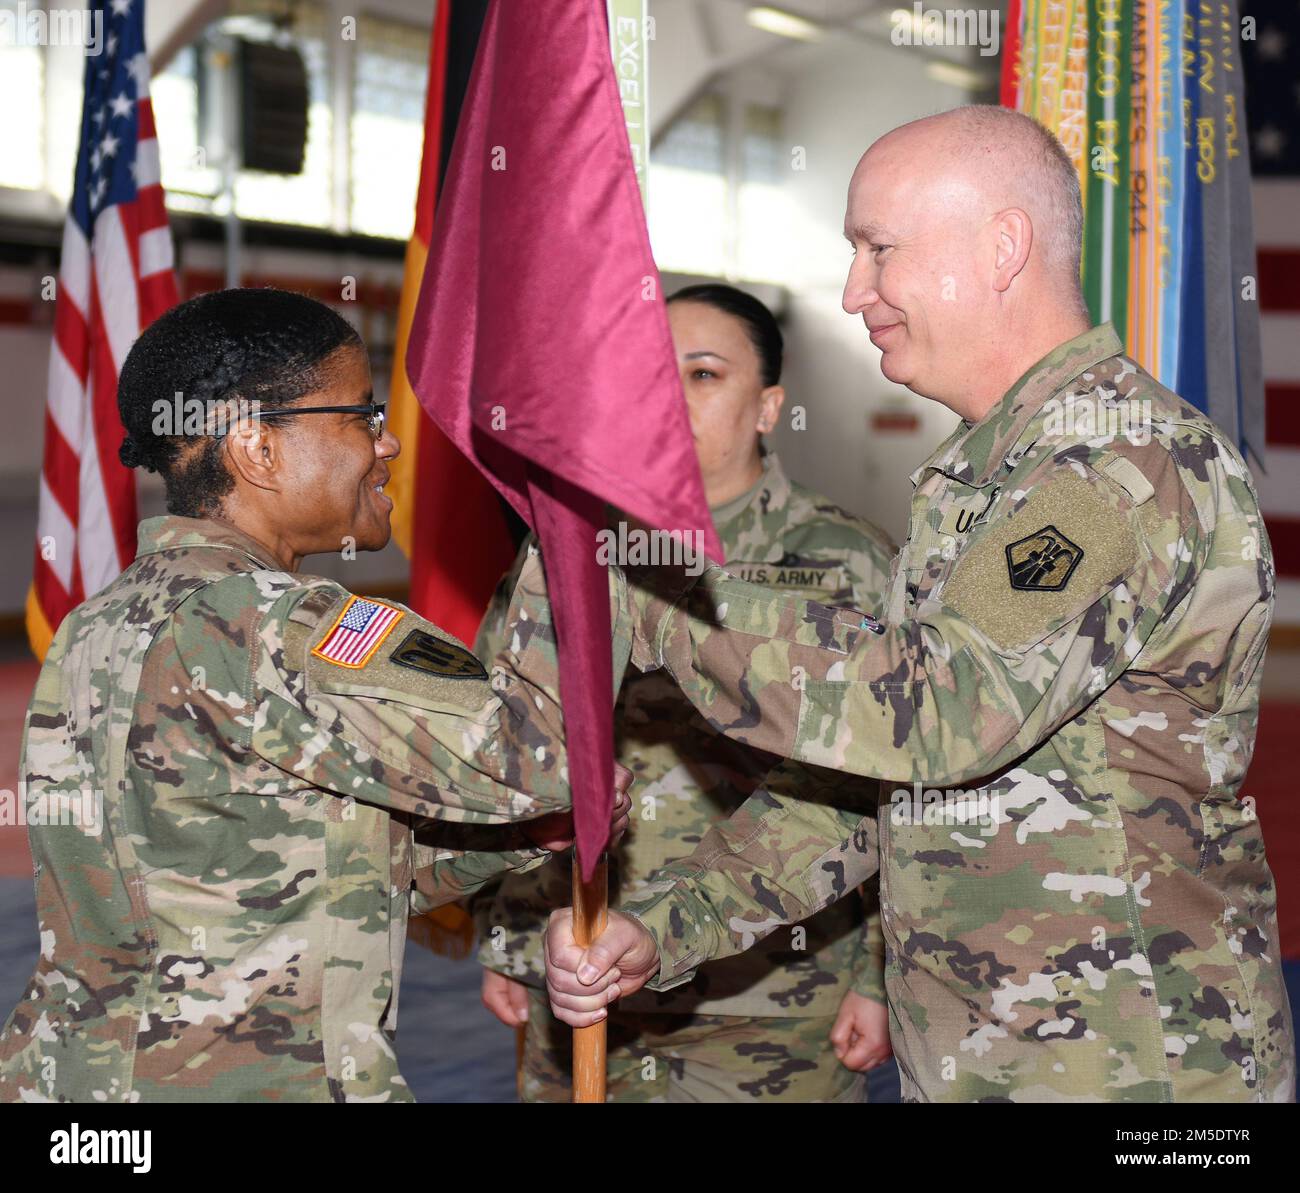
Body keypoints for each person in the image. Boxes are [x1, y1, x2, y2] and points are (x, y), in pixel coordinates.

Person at [541, 106, 1296, 1103]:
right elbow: (884, 793)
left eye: (877, 249)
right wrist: (670, 924)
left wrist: (654, 600)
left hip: (1129, 1069)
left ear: (1002, 246)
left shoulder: (1114, 460)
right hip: (992, 1054)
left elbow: (933, 714)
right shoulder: (993, 478)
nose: (855, 291)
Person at [0, 288, 629, 1103]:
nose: (390, 440)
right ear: (258, 450)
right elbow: (553, 756)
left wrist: (515, 836)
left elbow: (297, 862)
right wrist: (572, 523)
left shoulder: (97, 620)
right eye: (362, 415)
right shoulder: (281, 625)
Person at [474, 284, 896, 1101]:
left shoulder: (847, 560)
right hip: (586, 976)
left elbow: (886, 783)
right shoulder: (570, 550)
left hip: (773, 992)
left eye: (704, 374)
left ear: (770, 406)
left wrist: (877, 976)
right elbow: (508, 739)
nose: (672, 397)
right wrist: (509, 939)